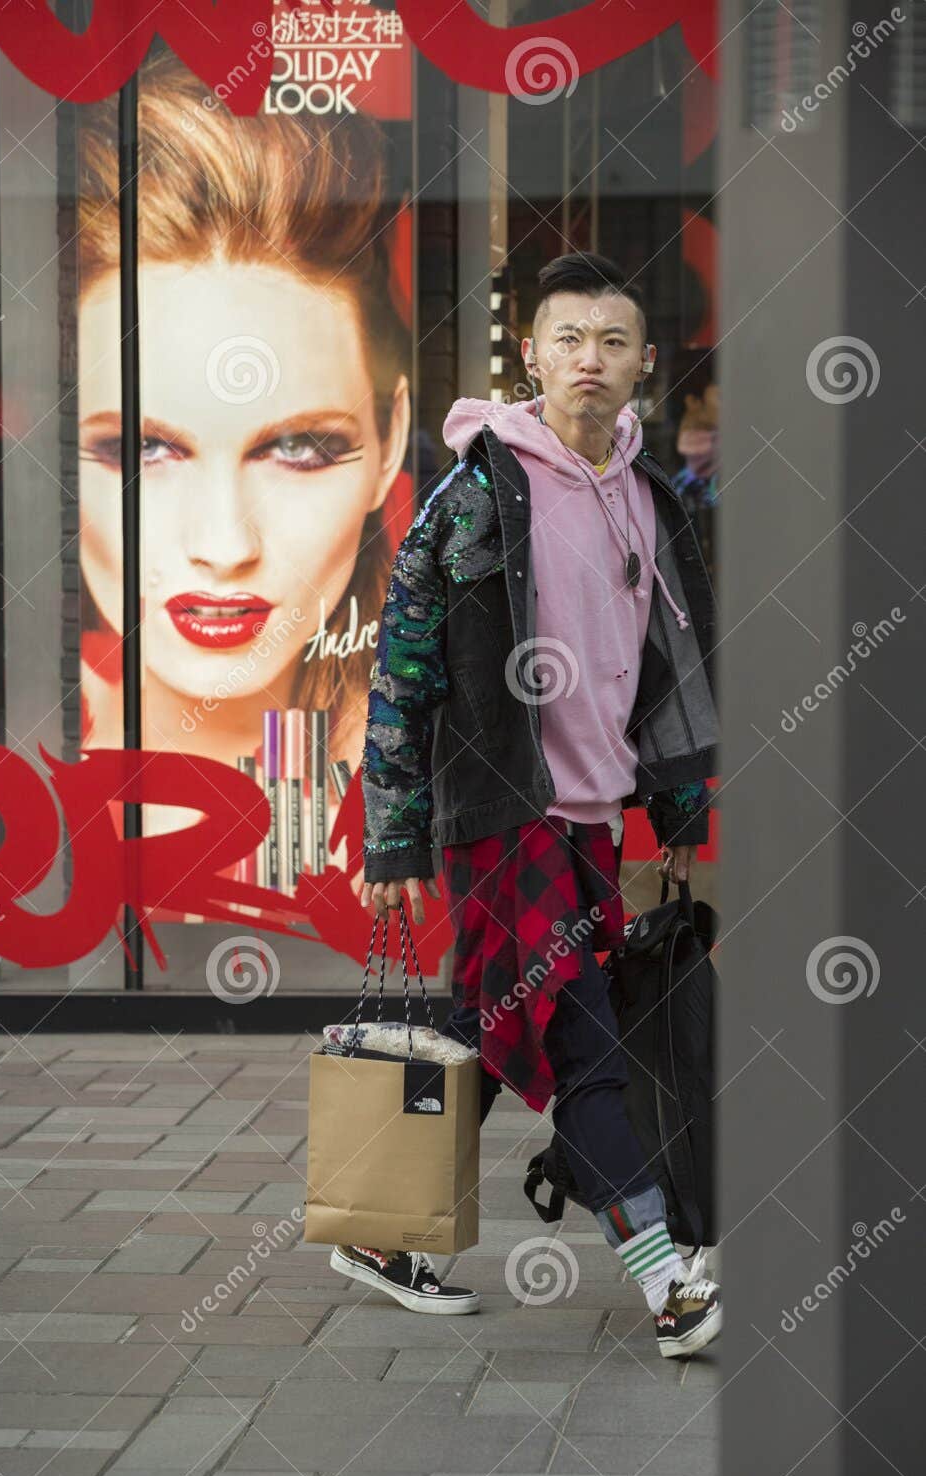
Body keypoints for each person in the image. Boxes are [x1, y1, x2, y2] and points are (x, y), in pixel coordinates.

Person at [332, 252, 722, 1360]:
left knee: (495, 1021)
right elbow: (404, 655)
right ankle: (666, 1280)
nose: (585, 360)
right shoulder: (479, 491)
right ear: (531, 356)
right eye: (564, 340)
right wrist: (394, 825)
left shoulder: (651, 495)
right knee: (577, 1040)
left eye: (608, 341)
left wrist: (676, 796)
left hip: (592, 813)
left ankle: (380, 1227)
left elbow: (662, 654)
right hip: (507, 808)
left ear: (642, 361)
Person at [75, 52, 411, 843]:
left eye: (296, 448)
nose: (224, 545)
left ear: (390, 442)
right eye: (142, 450)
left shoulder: (438, 778)